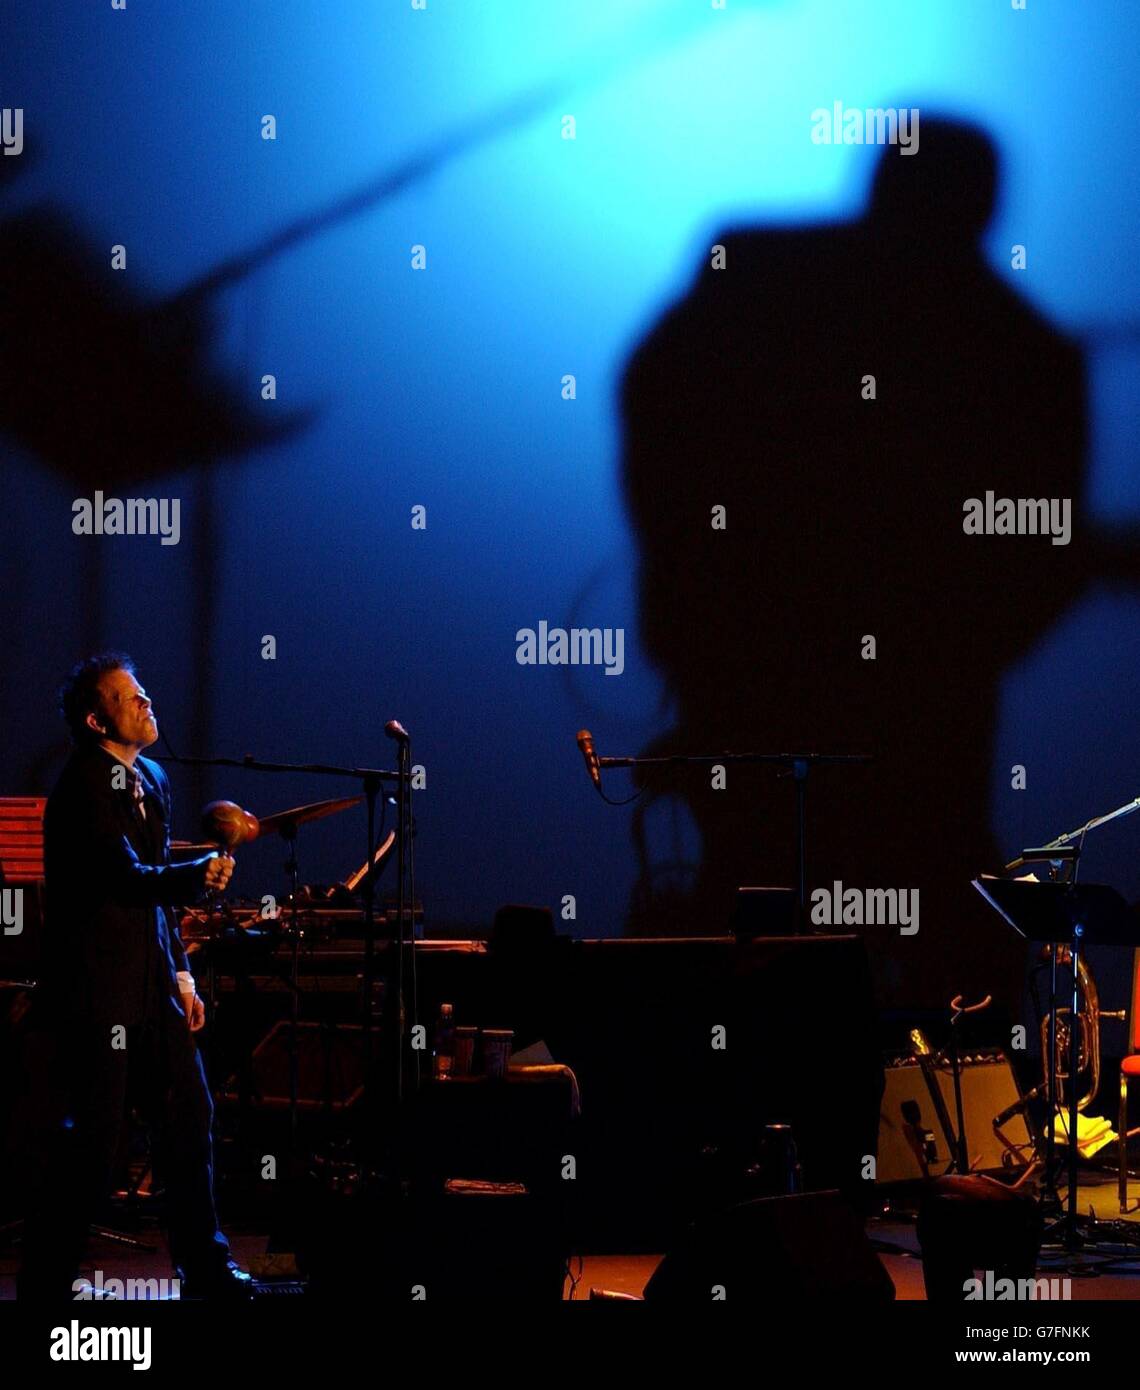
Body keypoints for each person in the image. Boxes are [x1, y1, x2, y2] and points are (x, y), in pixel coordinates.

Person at [18, 652, 251, 1300]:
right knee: (94, 1145)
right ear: (97, 720)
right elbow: (123, 878)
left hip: (151, 989)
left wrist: (181, 978)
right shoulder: (83, 787)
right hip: (98, 995)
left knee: (189, 1117)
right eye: (128, 698)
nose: (147, 702)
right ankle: (45, 1285)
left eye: (143, 691)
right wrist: (194, 874)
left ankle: (206, 1270)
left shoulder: (150, 777)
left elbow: (158, 899)